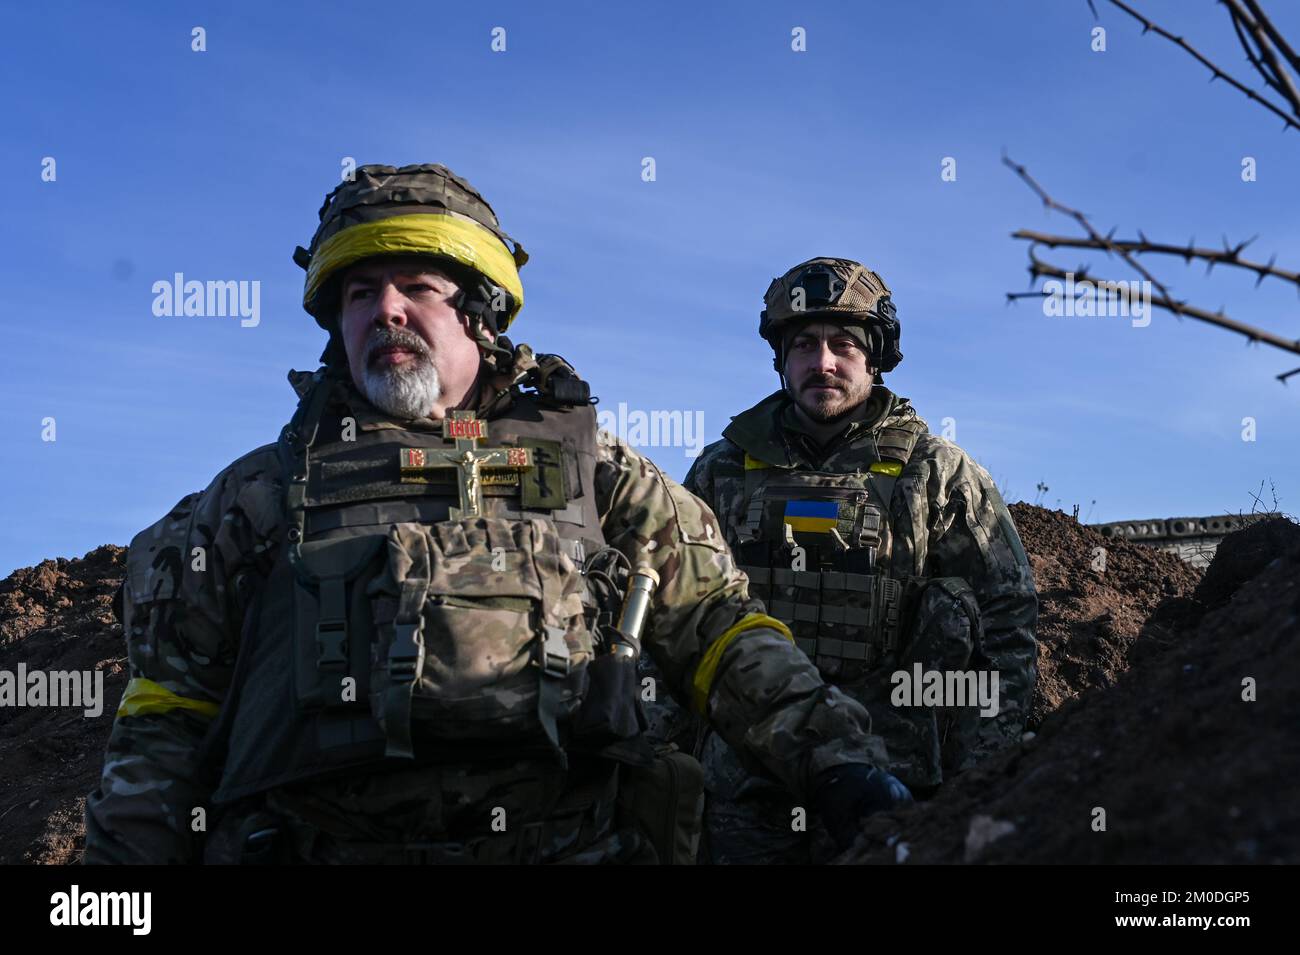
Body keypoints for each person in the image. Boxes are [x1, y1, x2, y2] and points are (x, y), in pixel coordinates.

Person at [84, 168, 911, 865]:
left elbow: (721, 631)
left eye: (417, 287)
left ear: (480, 311)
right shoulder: (258, 495)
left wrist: (839, 764)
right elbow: (168, 706)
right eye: (362, 292)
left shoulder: (596, 470)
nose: (387, 311)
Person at [679, 256, 1039, 863]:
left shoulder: (938, 471)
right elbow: (677, 610)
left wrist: (983, 772)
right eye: (804, 345)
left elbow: (1006, 619)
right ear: (781, 359)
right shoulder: (721, 470)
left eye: (843, 344)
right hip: (749, 777)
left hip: (894, 776)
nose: (822, 362)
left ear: (874, 356)